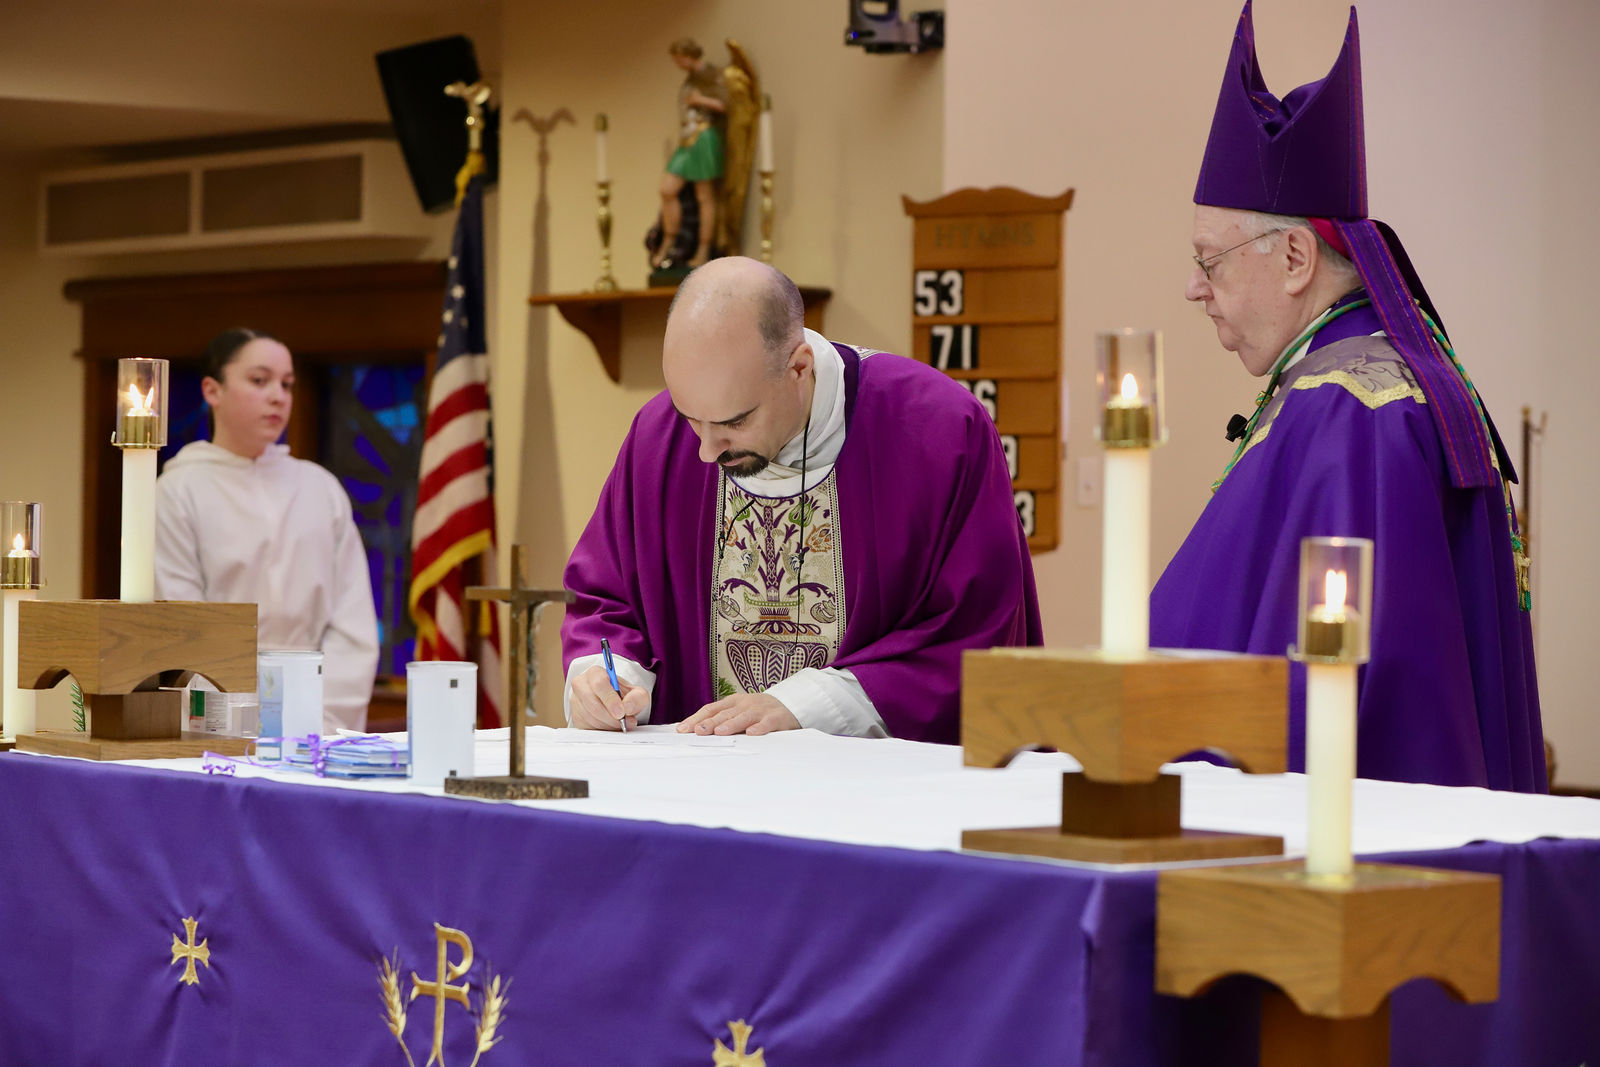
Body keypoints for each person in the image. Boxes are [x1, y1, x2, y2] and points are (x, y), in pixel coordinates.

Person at [1151, 2, 1545, 791]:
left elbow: (1329, 691)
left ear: (1296, 256)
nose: (1193, 289)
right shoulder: (1357, 381)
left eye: (1210, 260)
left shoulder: (1349, 415)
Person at [562, 257, 1041, 741]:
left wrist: (808, 704)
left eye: (734, 423)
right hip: (702, 783)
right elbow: (608, 596)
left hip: (879, 793)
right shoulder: (659, 436)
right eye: (690, 417)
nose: (705, 452)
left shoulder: (940, 430)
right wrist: (610, 678)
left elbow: (977, 630)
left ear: (799, 367)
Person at [155, 328, 380, 733]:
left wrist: (318, 717)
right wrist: (240, 718)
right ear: (212, 391)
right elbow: (181, 620)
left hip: (316, 711)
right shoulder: (179, 488)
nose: (279, 395)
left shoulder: (319, 487)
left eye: (287, 384)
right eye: (260, 381)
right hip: (219, 711)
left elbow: (353, 622)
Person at [650, 37, 729, 270]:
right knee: (667, 190)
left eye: (678, 58)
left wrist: (699, 100)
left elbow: (726, 104)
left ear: (688, 56)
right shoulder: (692, 78)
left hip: (704, 137)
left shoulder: (710, 74)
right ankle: (668, 241)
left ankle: (704, 249)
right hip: (688, 139)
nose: (677, 63)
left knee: (704, 195)